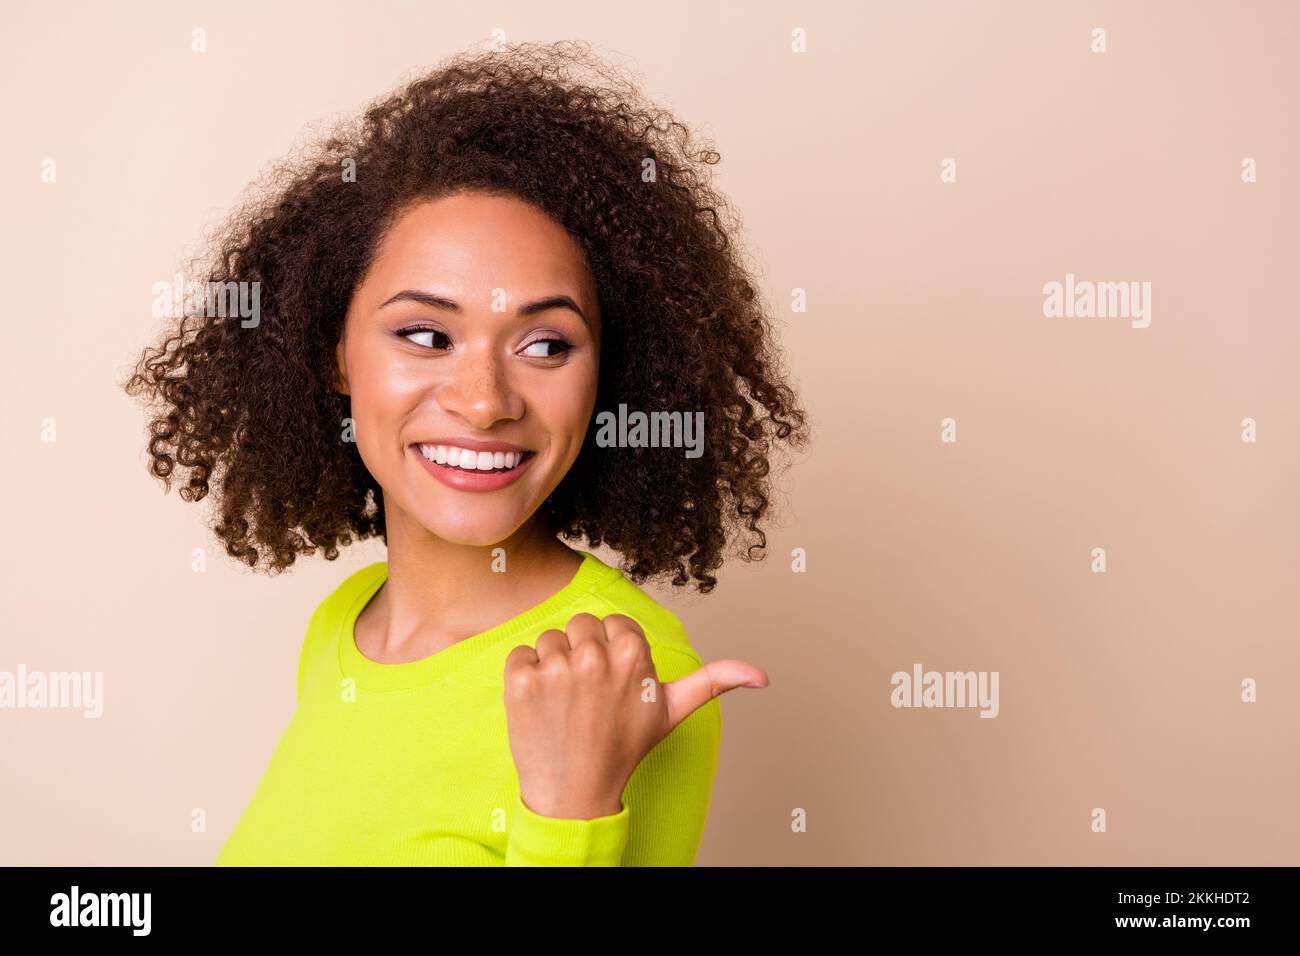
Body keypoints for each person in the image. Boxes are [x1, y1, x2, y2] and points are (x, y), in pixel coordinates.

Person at [122, 40, 810, 866]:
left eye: (546, 345)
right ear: (333, 353)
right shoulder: (347, 623)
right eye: (425, 334)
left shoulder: (624, 669)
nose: (484, 402)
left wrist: (569, 813)